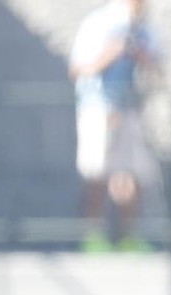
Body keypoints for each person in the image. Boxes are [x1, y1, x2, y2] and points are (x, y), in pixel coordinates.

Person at [68, 0, 165, 251]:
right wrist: (110, 54)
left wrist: (143, 56)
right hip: (99, 108)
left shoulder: (144, 29)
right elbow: (78, 68)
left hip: (131, 110)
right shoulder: (98, 24)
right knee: (97, 174)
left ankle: (129, 238)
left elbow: (159, 70)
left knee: (129, 175)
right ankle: (92, 238)